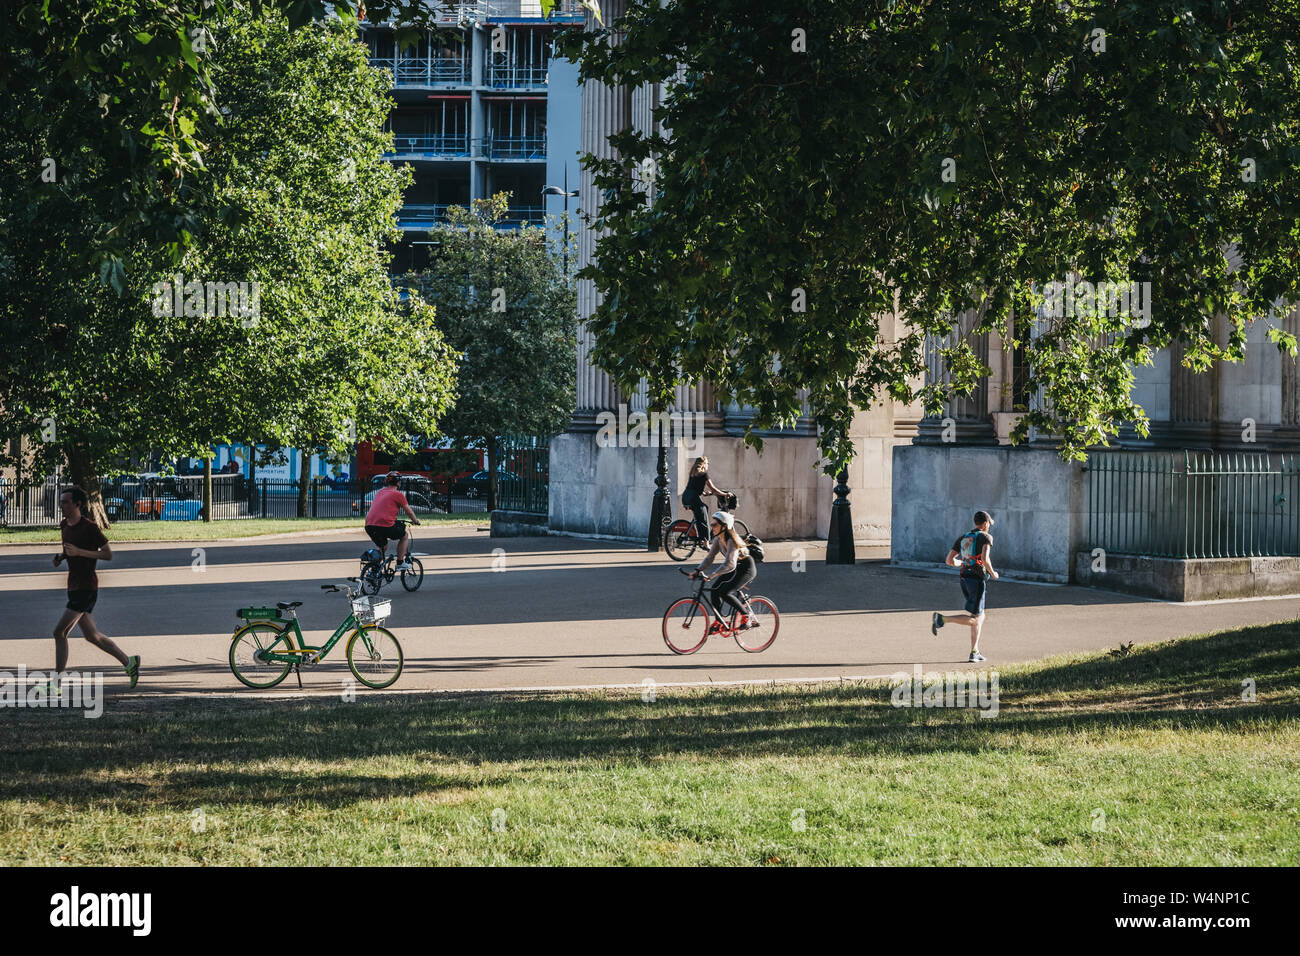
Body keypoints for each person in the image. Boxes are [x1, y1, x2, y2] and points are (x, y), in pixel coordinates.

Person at [51, 486, 139, 693]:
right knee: (92, 636)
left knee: (59, 632)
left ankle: (55, 684)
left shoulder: (89, 527)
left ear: (77, 504)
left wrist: (80, 552)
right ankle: (129, 663)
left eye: (65, 502)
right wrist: (61, 557)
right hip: (73, 586)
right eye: (61, 501)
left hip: (86, 587)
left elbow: (108, 555)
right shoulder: (64, 525)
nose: (61, 505)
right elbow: (69, 549)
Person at [931, 510, 999, 663]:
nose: (989, 527)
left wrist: (962, 563)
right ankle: (942, 619)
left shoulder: (964, 537)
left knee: (979, 616)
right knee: (976, 619)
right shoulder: (986, 537)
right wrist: (993, 573)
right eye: (989, 524)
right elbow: (985, 559)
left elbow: (949, 560)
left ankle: (974, 651)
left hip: (964, 579)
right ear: (986, 523)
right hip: (977, 580)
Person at [689, 510, 757, 634]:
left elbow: (730, 564)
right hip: (734, 568)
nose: (712, 527)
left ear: (724, 526)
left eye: (715, 525)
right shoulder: (718, 539)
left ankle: (747, 616)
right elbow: (709, 558)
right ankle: (719, 622)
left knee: (725, 592)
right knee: (714, 590)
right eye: (712, 524)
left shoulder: (732, 540)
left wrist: (712, 575)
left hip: (746, 568)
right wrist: (697, 570)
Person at [364, 471, 422, 570]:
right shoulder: (398, 494)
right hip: (384, 525)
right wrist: (415, 521)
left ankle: (374, 570)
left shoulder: (380, 492)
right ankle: (400, 563)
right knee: (404, 536)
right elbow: (409, 511)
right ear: (399, 482)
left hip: (369, 525)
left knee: (383, 546)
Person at [681, 456, 729, 539]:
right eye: (707, 463)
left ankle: (697, 532)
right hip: (693, 499)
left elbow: (693, 487)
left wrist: (703, 493)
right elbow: (713, 488)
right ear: (703, 464)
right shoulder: (704, 474)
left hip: (686, 497)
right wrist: (725, 494)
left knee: (703, 511)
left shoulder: (693, 473)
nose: (708, 465)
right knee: (704, 520)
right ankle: (705, 541)